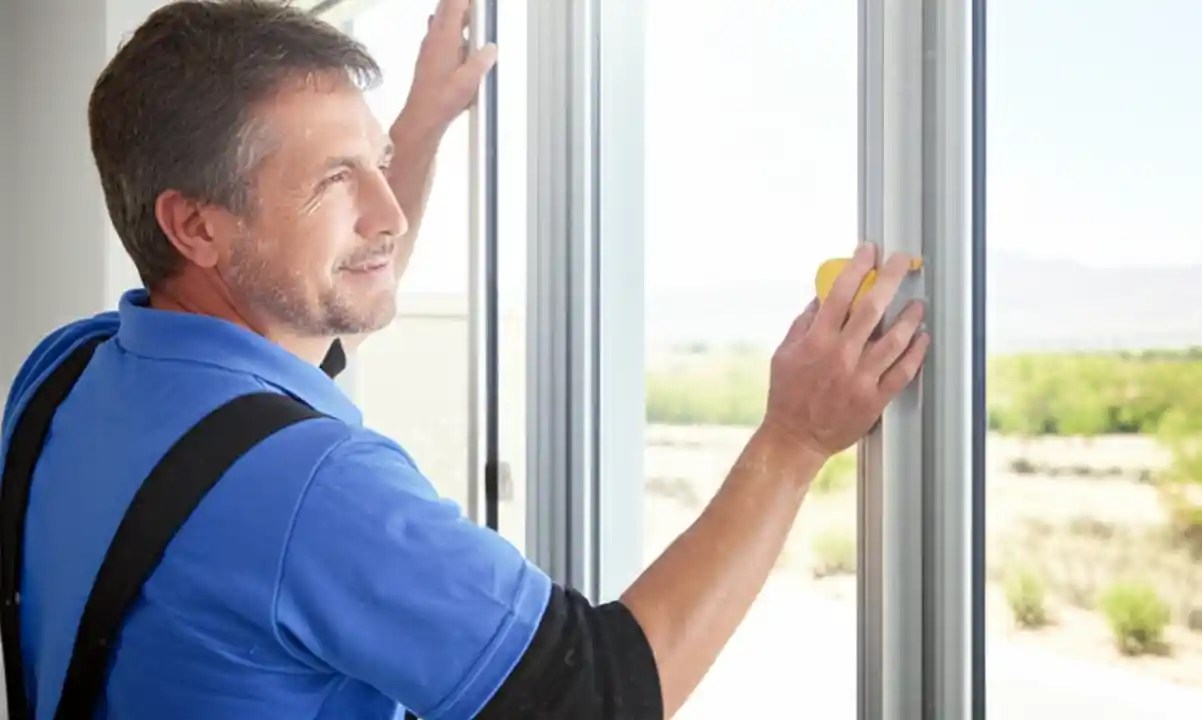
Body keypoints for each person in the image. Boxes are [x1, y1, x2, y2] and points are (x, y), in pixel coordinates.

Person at [0, 0, 930, 718]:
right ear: (195, 225)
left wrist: (422, 123)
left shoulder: (68, 372)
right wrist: (794, 440)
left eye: (375, 162)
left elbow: (317, 308)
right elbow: (599, 694)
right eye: (335, 179)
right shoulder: (310, 488)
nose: (387, 211)